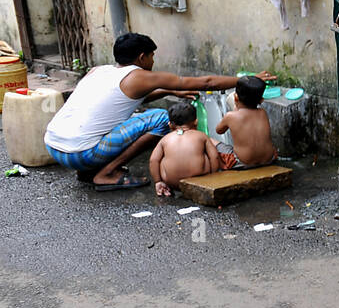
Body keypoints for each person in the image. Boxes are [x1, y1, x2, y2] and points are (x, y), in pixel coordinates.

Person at [43, 32, 275, 190]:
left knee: (136, 117)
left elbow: (124, 100)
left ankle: (91, 170)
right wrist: (244, 79)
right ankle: (107, 173)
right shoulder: (139, 76)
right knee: (164, 118)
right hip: (80, 153)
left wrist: (165, 93)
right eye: (152, 56)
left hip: (55, 146)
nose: (153, 61)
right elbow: (205, 83)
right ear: (142, 57)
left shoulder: (99, 71)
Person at [149, 103, 218, 196]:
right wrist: (213, 177)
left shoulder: (165, 139)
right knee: (207, 153)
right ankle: (209, 177)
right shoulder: (201, 136)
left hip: (173, 183)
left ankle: (163, 183)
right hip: (200, 181)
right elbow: (215, 157)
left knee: (161, 158)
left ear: (170, 125)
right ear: (196, 122)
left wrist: (158, 181)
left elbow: (153, 160)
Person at [213, 76, 277, 170]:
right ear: (261, 100)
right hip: (269, 159)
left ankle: (223, 168)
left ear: (235, 98)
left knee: (210, 141)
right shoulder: (263, 112)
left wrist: (234, 111)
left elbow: (218, 130)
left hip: (242, 162)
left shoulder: (230, 116)